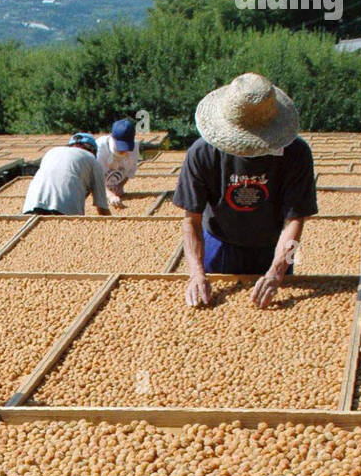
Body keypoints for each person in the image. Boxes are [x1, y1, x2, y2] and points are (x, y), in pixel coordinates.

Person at [172, 73, 317, 309]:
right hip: (219, 243)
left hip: (276, 245)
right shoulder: (202, 153)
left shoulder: (296, 154)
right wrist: (196, 274)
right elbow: (191, 220)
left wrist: (278, 270)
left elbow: (295, 219)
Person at [22, 134, 111, 217]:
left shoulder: (51, 152)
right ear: (93, 150)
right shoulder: (93, 160)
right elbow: (102, 207)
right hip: (65, 209)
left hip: (30, 205)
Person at [95, 118, 141, 211]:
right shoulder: (99, 147)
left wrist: (120, 186)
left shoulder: (134, 148)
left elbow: (129, 172)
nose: (123, 150)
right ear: (112, 136)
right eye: (120, 146)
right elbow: (94, 179)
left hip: (116, 186)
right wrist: (109, 195)